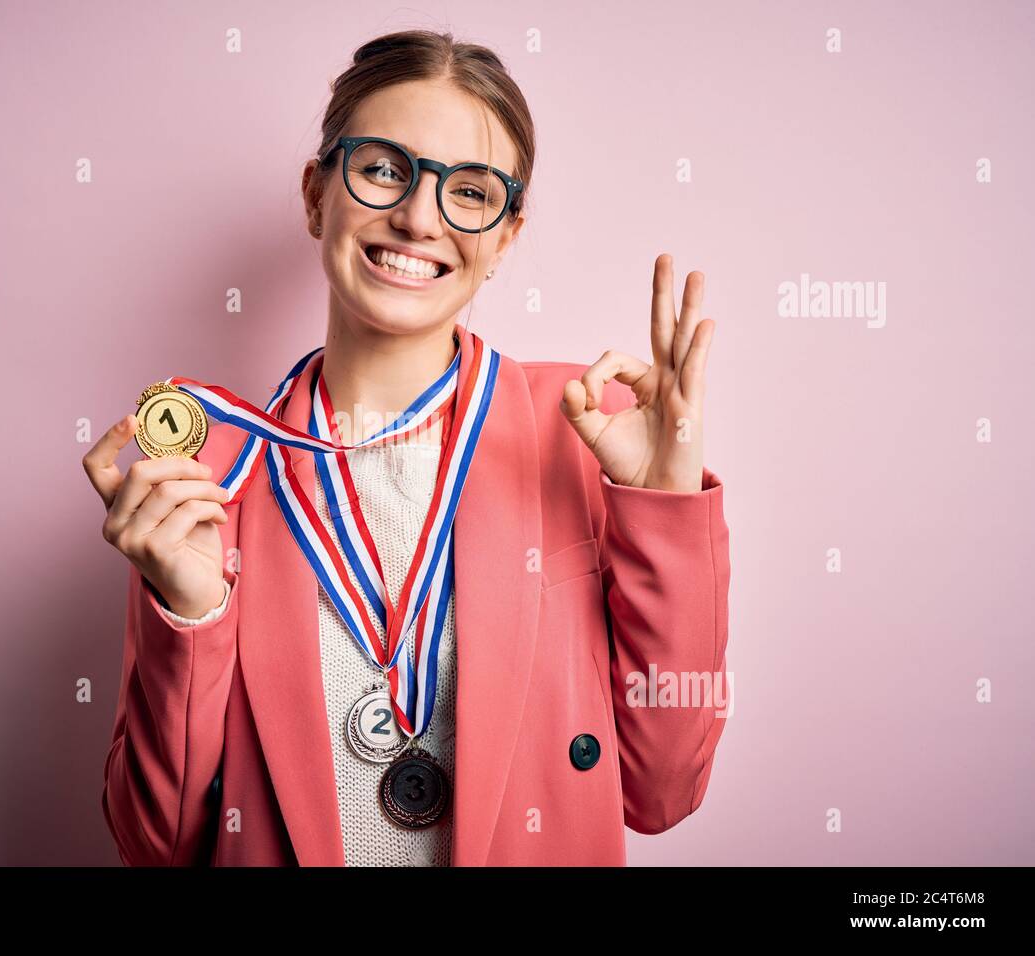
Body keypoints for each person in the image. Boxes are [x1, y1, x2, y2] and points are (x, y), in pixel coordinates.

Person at [82, 29, 730, 867]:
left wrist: (665, 507)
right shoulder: (214, 472)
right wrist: (191, 618)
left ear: (505, 237)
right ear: (317, 195)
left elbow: (664, 792)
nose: (419, 218)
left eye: (469, 191)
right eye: (384, 168)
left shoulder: (588, 431)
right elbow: (157, 843)